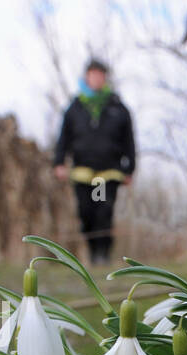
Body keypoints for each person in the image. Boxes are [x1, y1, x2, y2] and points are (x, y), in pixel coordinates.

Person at [52, 59, 136, 264]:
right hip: (82, 172)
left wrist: (130, 168)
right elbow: (64, 137)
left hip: (105, 174)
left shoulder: (117, 107)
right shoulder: (75, 108)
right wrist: (59, 162)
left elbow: (129, 140)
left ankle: (102, 255)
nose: (97, 78)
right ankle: (93, 253)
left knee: (102, 211)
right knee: (86, 213)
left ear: (105, 78)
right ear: (87, 77)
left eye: (101, 74)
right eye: (93, 74)